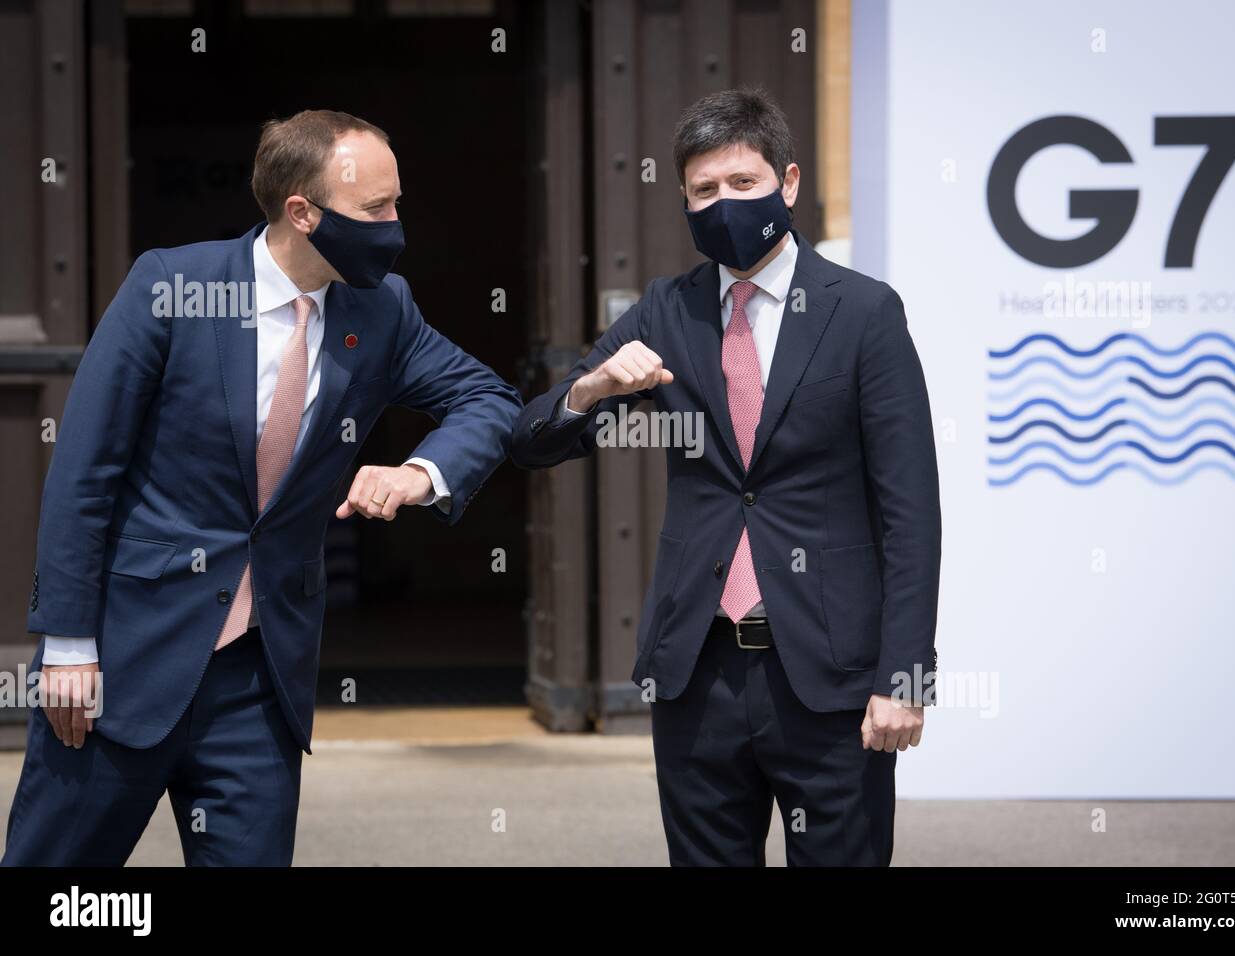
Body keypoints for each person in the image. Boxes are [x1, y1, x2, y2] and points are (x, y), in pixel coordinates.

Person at [2, 109, 521, 866]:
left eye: (397, 201)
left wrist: (421, 472)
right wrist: (70, 644)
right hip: (121, 664)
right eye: (376, 209)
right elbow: (84, 470)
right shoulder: (171, 286)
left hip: (258, 681)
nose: (396, 225)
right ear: (302, 213)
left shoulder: (382, 310)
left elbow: (488, 398)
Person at [511, 88, 941, 866]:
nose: (723, 204)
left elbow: (911, 512)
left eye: (742, 183)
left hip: (832, 679)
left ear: (789, 182)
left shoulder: (864, 313)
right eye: (703, 190)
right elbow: (533, 441)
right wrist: (592, 389)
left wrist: (904, 676)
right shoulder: (665, 311)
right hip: (697, 675)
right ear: (682, 199)